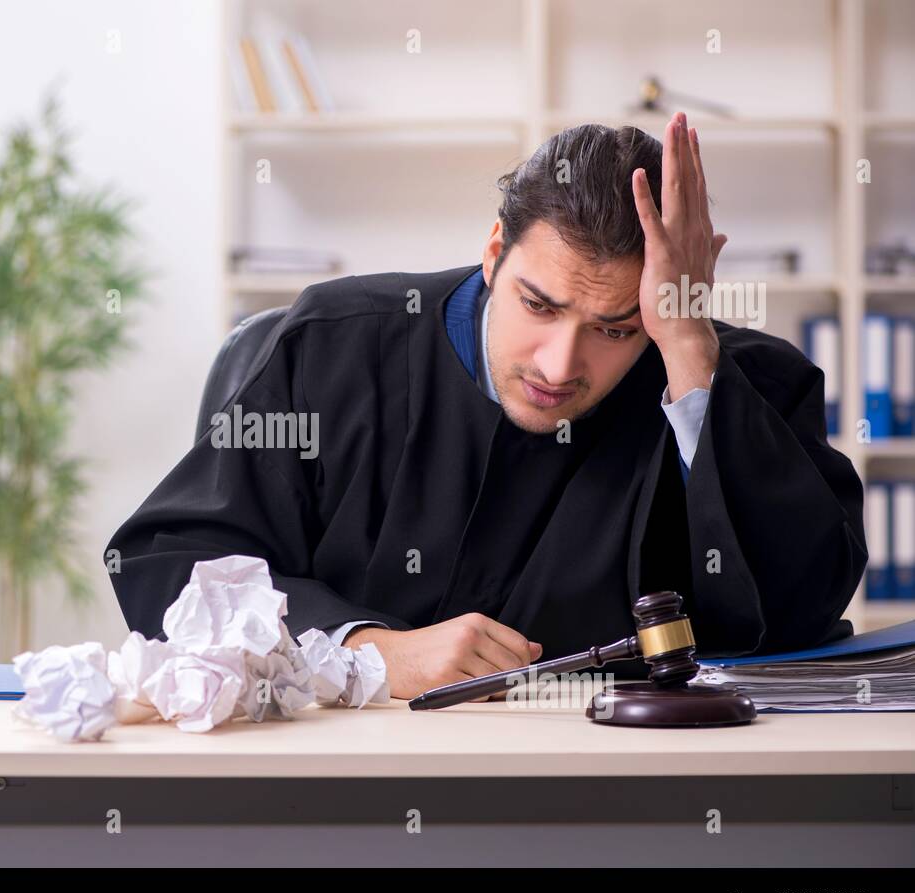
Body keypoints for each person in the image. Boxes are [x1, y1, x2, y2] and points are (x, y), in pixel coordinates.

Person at [105, 112, 866, 700]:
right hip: (340, 785)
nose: (560, 365)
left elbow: (800, 612)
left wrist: (689, 354)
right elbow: (169, 565)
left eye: (614, 328)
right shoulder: (334, 348)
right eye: (539, 304)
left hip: (617, 798)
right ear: (495, 251)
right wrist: (364, 648)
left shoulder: (740, 381)